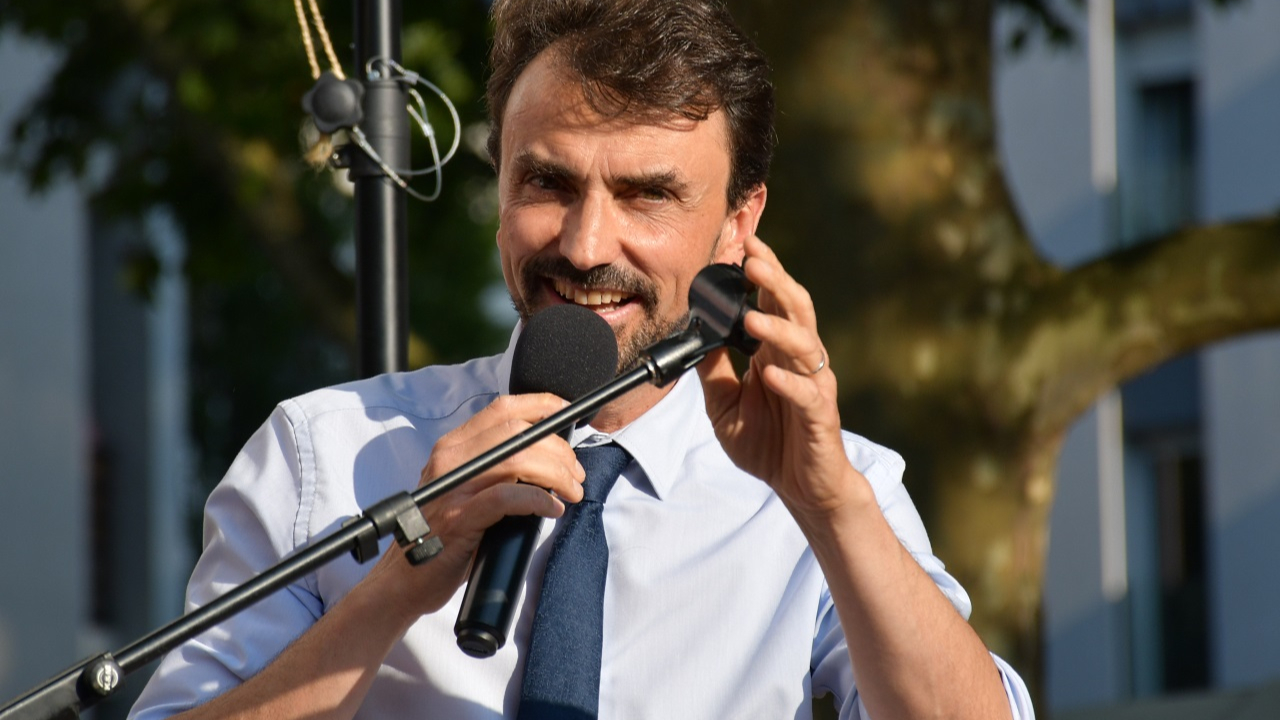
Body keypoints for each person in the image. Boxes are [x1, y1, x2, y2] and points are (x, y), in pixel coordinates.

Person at [130, 0, 1034, 718]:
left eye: (647, 195)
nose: (586, 243)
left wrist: (830, 508)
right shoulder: (321, 456)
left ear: (739, 223)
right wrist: (404, 577)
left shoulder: (831, 488)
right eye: (548, 183)